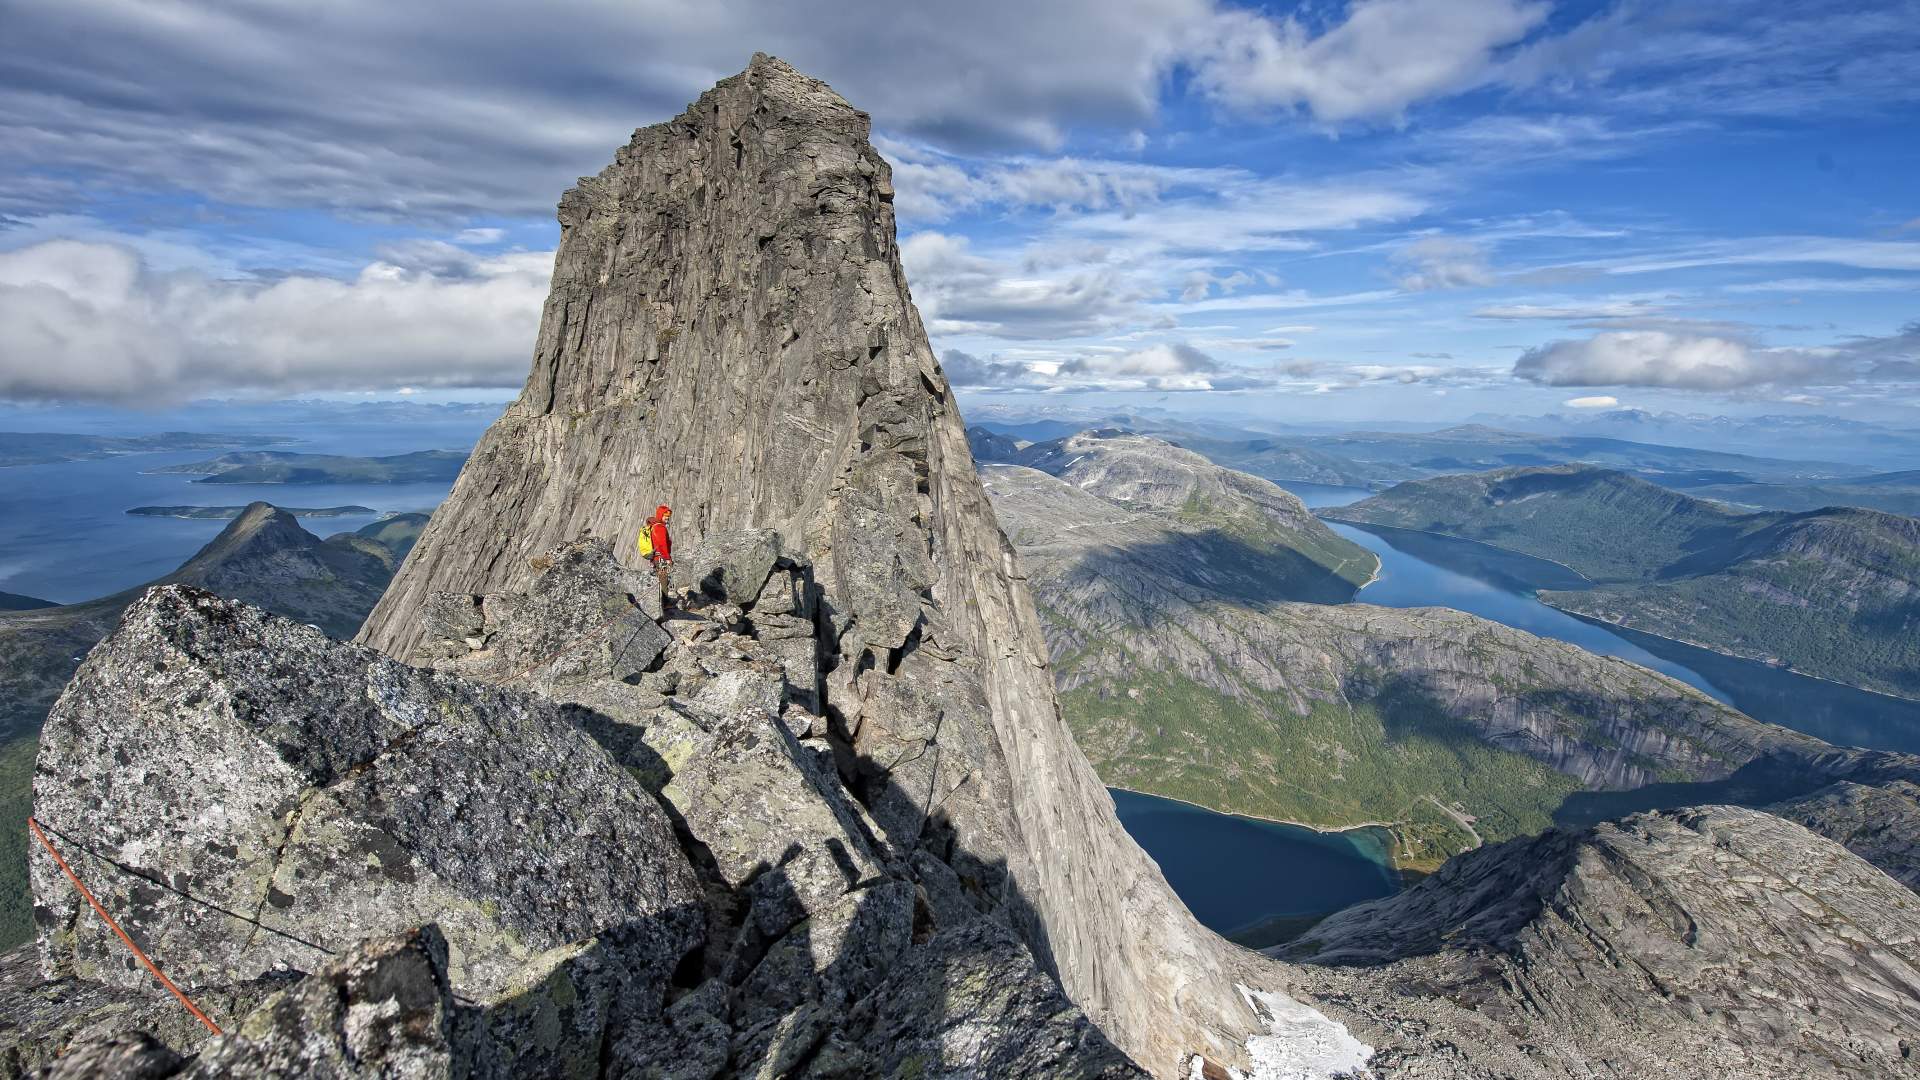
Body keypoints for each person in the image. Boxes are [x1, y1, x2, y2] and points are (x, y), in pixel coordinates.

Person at [640, 505, 673, 600]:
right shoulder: (660, 528)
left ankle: (660, 602)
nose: (667, 518)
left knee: (660, 579)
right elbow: (662, 544)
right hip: (661, 558)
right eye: (665, 515)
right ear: (660, 515)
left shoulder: (653, 527)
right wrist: (668, 559)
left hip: (655, 558)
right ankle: (665, 603)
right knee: (663, 580)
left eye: (668, 516)